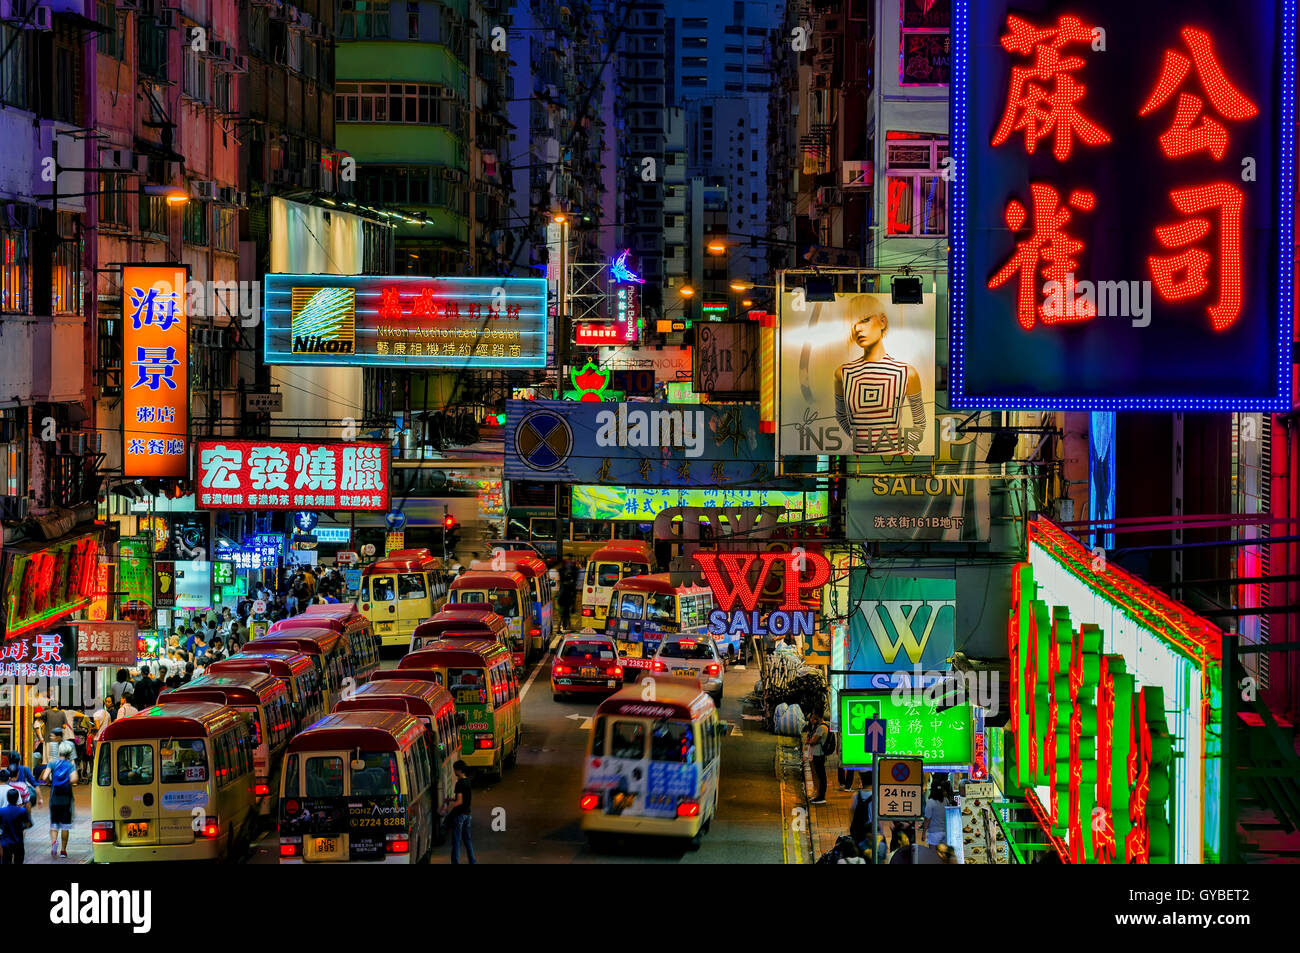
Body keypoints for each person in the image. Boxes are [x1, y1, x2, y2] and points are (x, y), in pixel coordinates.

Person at [833, 293, 927, 454]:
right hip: (858, 458)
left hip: (897, 457)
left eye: (865, 319)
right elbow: (840, 416)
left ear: (882, 321)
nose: (857, 328)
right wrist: (864, 443)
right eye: (852, 323)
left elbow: (920, 422)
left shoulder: (906, 372)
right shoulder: (843, 373)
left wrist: (906, 450)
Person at [40, 745, 77, 858]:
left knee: (54, 824)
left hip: (54, 797)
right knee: (65, 826)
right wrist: (68, 782)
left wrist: (49, 782)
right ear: (68, 754)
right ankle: (63, 851)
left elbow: (45, 776)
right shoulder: (70, 765)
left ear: (59, 752)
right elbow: (74, 779)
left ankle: (54, 842)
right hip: (66, 798)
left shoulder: (52, 763)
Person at [445, 760, 475, 864]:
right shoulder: (467, 781)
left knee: (456, 841)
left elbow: (459, 801)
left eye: (455, 769)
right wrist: (451, 800)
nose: (454, 771)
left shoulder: (459, 783)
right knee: (467, 840)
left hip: (460, 815)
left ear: (459, 770)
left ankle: (455, 862)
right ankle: (472, 861)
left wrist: (449, 807)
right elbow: (464, 799)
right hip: (467, 814)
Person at [0, 788, 32, 864]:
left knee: (6, 861)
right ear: (17, 798)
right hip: (18, 842)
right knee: (19, 861)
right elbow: (28, 824)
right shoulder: (22, 811)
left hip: (6, 843)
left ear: (7, 798)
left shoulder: (2, 811)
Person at [804, 711, 828, 805]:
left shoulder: (821, 728)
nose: (811, 720)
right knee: (821, 775)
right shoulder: (822, 727)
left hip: (819, 754)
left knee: (821, 776)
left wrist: (810, 741)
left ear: (817, 717)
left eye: (813, 718)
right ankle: (820, 795)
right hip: (818, 754)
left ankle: (821, 796)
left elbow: (813, 741)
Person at [923, 778, 953, 846]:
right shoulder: (945, 800)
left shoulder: (930, 802)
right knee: (942, 854)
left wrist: (924, 832)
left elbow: (927, 819)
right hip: (945, 832)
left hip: (934, 833)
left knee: (933, 854)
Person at [41, 703, 68, 767]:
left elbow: (37, 715)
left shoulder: (47, 712)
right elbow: (64, 726)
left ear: (50, 706)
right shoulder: (62, 713)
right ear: (57, 705)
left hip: (48, 739)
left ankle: (50, 775)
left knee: (48, 758)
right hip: (58, 739)